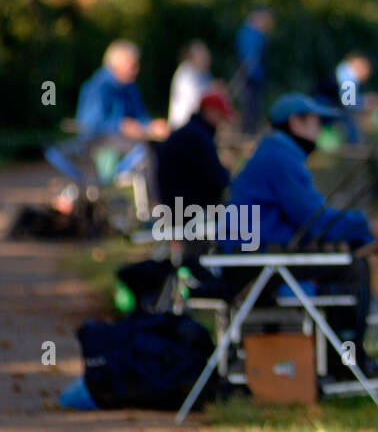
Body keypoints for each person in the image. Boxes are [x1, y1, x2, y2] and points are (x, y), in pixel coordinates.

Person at [226, 93, 378, 376]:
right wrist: (368, 226)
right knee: (352, 269)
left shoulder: (274, 152)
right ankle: (347, 361)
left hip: (256, 254)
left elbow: (306, 222)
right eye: (317, 122)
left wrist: (364, 241)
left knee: (341, 261)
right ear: (296, 122)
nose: (320, 130)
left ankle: (333, 356)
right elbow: (314, 220)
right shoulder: (281, 158)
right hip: (255, 261)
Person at [45, 40, 169, 218]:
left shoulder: (130, 88)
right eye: (132, 65)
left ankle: (168, 203)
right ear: (117, 64)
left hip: (124, 141)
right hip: (99, 141)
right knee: (146, 151)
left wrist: (151, 126)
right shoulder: (98, 87)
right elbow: (90, 124)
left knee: (163, 146)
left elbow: (140, 118)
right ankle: (153, 209)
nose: (137, 69)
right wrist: (122, 125)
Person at [155, 85, 237, 270]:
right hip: (189, 212)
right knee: (244, 218)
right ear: (210, 113)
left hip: (174, 207)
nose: (222, 124)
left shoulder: (190, 132)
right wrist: (227, 168)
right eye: (221, 117)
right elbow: (219, 180)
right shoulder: (199, 137)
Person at [234, 8, 274, 133]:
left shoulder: (255, 34)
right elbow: (249, 56)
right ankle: (248, 131)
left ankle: (250, 129)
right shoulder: (250, 34)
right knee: (249, 104)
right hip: (249, 73)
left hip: (254, 73)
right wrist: (251, 71)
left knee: (253, 104)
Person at [168, 40, 212, 130]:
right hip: (181, 126)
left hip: (197, 125)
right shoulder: (185, 73)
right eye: (203, 56)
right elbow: (197, 101)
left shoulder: (205, 74)